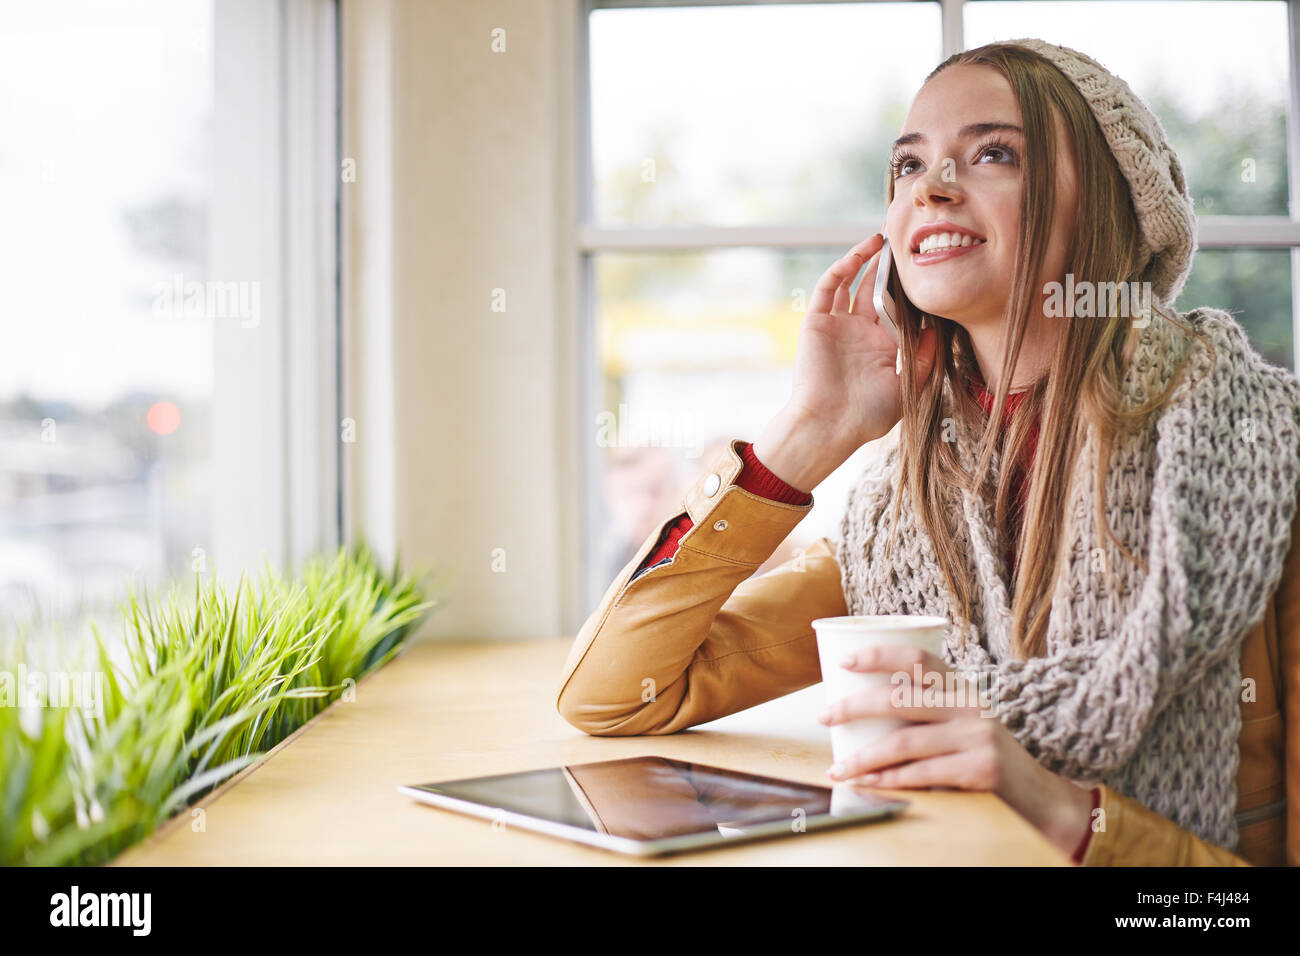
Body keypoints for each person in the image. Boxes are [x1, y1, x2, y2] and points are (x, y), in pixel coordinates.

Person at [556, 38, 1300, 866]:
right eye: (908, 167)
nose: (934, 188)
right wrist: (807, 432)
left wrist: (1071, 819)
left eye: (993, 154)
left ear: (1106, 203)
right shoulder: (897, 526)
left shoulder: (1262, 464)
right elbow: (615, 697)